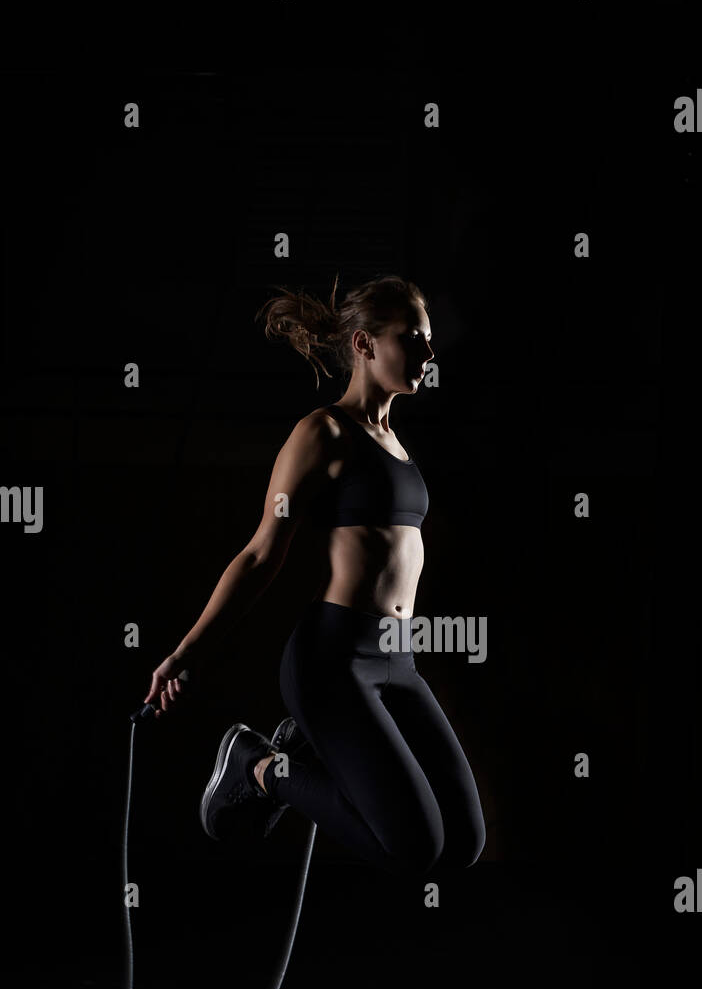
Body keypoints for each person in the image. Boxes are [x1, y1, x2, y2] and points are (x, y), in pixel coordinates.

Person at [142, 273, 486, 877]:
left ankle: (290, 752)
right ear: (363, 344)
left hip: (399, 659)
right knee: (415, 845)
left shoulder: (396, 444)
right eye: (413, 338)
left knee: (463, 842)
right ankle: (257, 765)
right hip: (334, 660)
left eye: (429, 340)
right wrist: (187, 652)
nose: (429, 353)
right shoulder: (323, 432)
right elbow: (259, 555)